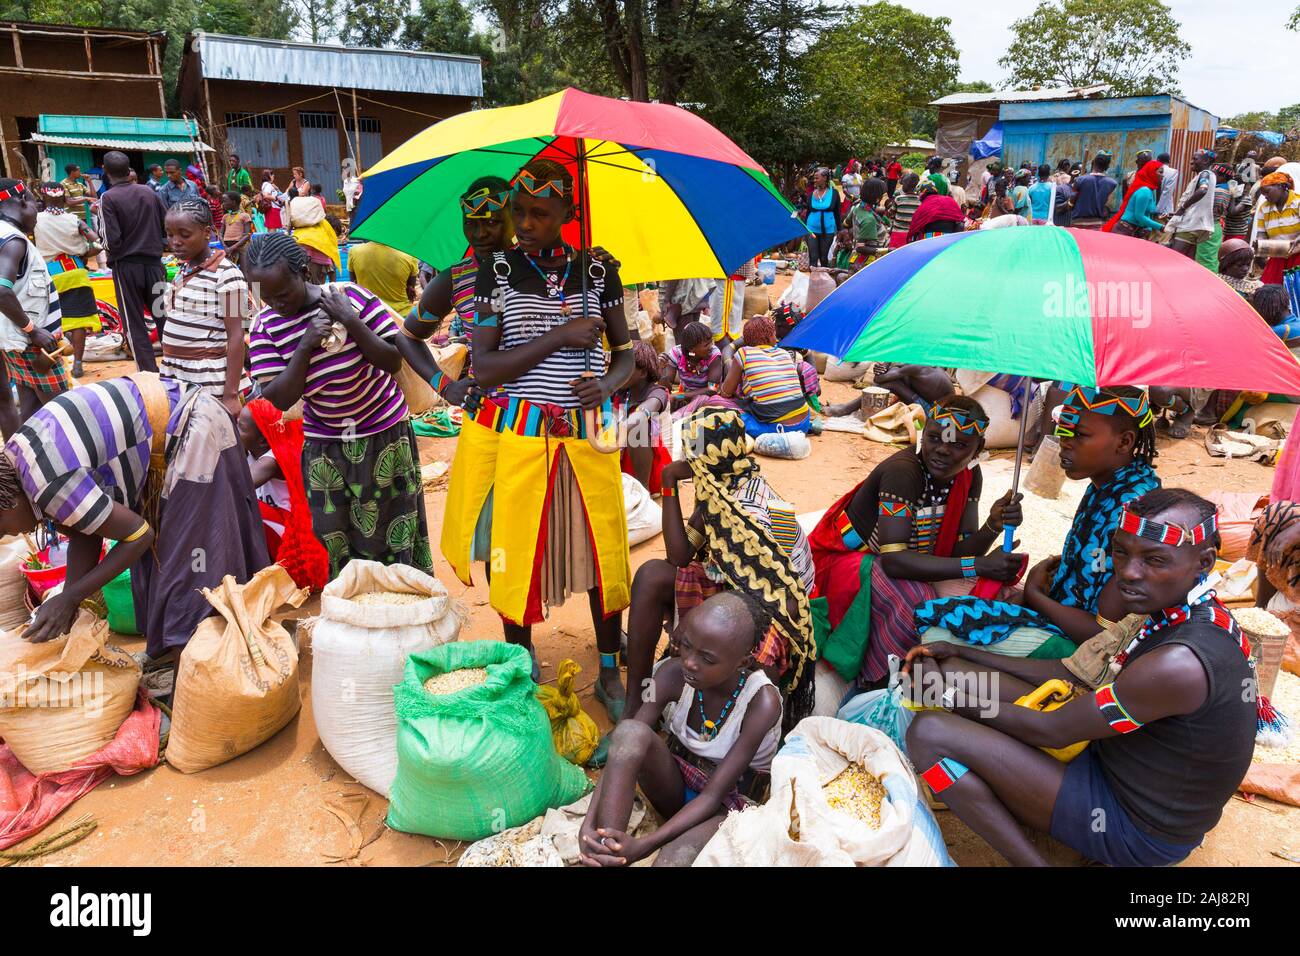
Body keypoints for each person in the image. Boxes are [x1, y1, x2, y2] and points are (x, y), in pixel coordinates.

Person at [904, 489, 1257, 867]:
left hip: (1136, 828)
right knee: (954, 673)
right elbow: (1071, 671)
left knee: (928, 734)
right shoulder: (1177, 612)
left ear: (1205, 561)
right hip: (1115, 765)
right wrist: (964, 654)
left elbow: (1050, 731)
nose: (1128, 572)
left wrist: (948, 698)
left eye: (1154, 559)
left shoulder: (1178, 663)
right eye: (1121, 552)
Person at [463, 158, 634, 705]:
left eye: (540, 212)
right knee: (514, 555)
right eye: (520, 211)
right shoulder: (498, 272)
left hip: (588, 436)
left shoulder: (600, 271)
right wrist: (559, 336)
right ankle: (519, 660)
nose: (527, 221)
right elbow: (485, 369)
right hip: (523, 437)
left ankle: (609, 667)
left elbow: (627, 357)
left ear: (569, 211)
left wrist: (607, 384)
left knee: (603, 551)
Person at [1, 371, 268, 661]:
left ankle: (192, 681)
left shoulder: (49, 484)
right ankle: (170, 657)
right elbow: (85, 532)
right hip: (165, 440)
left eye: (3, 528)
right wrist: (69, 599)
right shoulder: (19, 456)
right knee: (161, 563)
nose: (13, 534)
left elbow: (139, 535)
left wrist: (72, 597)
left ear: (7, 504)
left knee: (189, 569)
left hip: (194, 430)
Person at [919, 386, 1160, 657]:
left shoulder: (1132, 514)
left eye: (1079, 435)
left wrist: (1035, 595)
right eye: (1064, 431)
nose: (1064, 442)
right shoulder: (1109, 487)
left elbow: (1105, 634)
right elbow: (1096, 566)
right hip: (1063, 618)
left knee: (934, 634)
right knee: (944, 613)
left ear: (1124, 442)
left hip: (1086, 651)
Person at [245, 231, 432, 578]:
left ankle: (401, 619)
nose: (276, 304)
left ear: (303, 270)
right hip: (326, 448)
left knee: (394, 538)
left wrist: (350, 320)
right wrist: (305, 346)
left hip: (385, 435)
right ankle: (357, 621)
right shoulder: (264, 327)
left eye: (282, 293)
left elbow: (392, 361)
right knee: (338, 542)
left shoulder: (352, 298)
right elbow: (281, 398)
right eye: (266, 297)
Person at [809, 395, 1023, 687]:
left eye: (959, 445)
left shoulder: (970, 477)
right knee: (918, 603)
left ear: (978, 449)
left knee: (994, 596)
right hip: (847, 562)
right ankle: (881, 681)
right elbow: (895, 561)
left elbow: (959, 551)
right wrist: (979, 565)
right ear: (923, 432)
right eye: (934, 437)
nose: (942, 451)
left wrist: (992, 526)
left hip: (904, 560)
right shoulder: (904, 472)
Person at [622, 408, 815, 722]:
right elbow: (680, 556)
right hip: (735, 589)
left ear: (708, 460)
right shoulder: (719, 490)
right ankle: (634, 705)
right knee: (651, 575)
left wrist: (695, 626)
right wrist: (668, 479)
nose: (688, 463)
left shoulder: (751, 512)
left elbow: (776, 601)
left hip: (776, 611)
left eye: (692, 458)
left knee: (741, 650)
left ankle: (730, 733)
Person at [580, 590, 783, 867]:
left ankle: (630, 851)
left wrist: (644, 845)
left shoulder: (762, 702)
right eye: (687, 646)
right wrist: (589, 824)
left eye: (707, 659)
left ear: (742, 663)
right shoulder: (669, 675)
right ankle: (605, 849)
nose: (690, 662)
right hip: (677, 785)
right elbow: (624, 745)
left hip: (727, 805)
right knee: (629, 731)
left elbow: (713, 797)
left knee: (672, 860)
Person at [158, 198, 250, 415]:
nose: (175, 242)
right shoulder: (184, 269)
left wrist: (231, 395)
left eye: (184, 234)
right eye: (170, 234)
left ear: (207, 232)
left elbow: (236, 336)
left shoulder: (227, 274)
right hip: (177, 374)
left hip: (208, 380)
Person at [236, 398, 328, 590]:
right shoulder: (251, 451)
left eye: (241, 428)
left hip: (285, 533)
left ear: (262, 439)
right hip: (271, 531)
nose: (236, 433)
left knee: (245, 506)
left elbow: (237, 485)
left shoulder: (273, 459)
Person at [0, 180, 69, 435]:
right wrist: (33, 330)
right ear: (21, 202)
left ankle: (19, 469)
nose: (37, 212)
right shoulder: (13, 241)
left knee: (30, 410)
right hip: (35, 347)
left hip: (17, 344)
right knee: (64, 414)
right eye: (33, 202)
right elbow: (1, 290)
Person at [100, 150, 168, 373]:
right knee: (163, 317)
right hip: (154, 265)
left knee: (134, 323)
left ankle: (149, 374)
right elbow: (166, 224)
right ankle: (175, 367)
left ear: (105, 170)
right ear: (129, 169)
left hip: (126, 267)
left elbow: (112, 240)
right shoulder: (148, 192)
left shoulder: (108, 198)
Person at [34, 182, 101, 379]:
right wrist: (83, 255)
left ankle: (52, 362)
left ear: (44, 197)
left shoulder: (34, 220)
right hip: (76, 272)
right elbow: (97, 241)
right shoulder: (75, 220)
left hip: (50, 274)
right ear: (64, 198)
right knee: (79, 320)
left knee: (52, 320)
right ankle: (78, 364)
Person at [719, 315, 812, 436]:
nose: (776, 337)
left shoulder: (744, 353)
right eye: (774, 334)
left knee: (718, 404)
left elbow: (726, 392)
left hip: (778, 428)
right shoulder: (784, 354)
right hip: (804, 422)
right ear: (769, 338)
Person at [616, 340, 671, 493]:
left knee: (638, 426)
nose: (619, 372)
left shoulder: (657, 393)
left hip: (653, 469)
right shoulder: (621, 392)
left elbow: (642, 414)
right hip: (621, 463)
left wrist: (619, 429)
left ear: (643, 372)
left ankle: (643, 493)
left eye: (625, 367)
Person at [1250, 171, 1300, 292]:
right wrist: (1260, 247)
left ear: (1282, 186)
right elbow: (1262, 234)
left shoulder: (1297, 202)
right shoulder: (1265, 208)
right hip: (1278, 254)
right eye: (1263, 194)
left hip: (1298, 255)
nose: (1266, 196)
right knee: (1269, 290)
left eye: (1267, 192)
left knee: (1295, 291)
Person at [662, 319, 724, 412]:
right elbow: (667, 388)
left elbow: (712, 389)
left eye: (711, 342)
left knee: (701, 401)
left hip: (707, 397)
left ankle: (680, 419)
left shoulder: (714, 355)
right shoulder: (676, 353)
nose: (711, 346)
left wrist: (681, 396)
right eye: (706, 344)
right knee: (663, 400)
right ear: (692, 348)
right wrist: (661, 371)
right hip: (685, 394)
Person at [347, 241, 420, 320]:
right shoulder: (409, 255)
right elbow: (411, 290)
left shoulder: (354, 251)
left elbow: (353, 284)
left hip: (367, 315)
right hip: (401, 316)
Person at [1165, 149, 1216, 260]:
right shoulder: (1207, 175)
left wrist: (1182, 208)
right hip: (1195, 225)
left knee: (1173, 259)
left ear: (1206, 161)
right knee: (1188, 261)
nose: (1191, 162)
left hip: (1189, 225)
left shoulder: (1205, 174)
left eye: (1195, 159)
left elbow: (1202, 190)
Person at [1102, 159, 1164, 237]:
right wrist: (1161, 227)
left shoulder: (1150, 191)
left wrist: (1149, 228)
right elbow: (1139, 216)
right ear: (1151, 173)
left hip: (1132, 230)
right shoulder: (1145, 191)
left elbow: (1146, 212)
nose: (1163, 175)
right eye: (1160, 172)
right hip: (1125, 230)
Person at [287, 196, 340, 282]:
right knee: (316, 290)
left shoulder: (304, 231)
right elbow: (332, 271)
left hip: (301, 261)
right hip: (317, 265)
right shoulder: (324, 233)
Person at [1068, 152, 1118, 230]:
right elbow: (1107, 206)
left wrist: (1069, 205)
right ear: (1107, 167)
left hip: (1078, 223)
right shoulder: (1112, 183)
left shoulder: (1080, 180)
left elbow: (1071, 203)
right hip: (1097, 224)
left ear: (1093, 163)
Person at [804, 168, 840, 267]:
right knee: (813, 257)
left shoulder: (834, 193)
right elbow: (808, 212)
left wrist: (840, 230)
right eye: (814, 178)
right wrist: (804, 229)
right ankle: (813, 280)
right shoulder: (811, 194)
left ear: (824, 178)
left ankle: (824, 280)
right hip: (811, 230)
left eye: (816, 178)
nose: (814, 180)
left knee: (824, 257)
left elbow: (837, 213)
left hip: (828, 230)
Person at [886, 172, 922, 248]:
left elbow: (890, 214)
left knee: (896, 255)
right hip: (913, 235)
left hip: (898, 234)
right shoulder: (921, 200)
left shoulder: (899, 199)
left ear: (905, 185)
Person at [220, 191, 253, 267]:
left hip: (241, 247)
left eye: (225, 201)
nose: (223, 204)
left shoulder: (245, 216)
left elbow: (247, 235)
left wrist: (232, 248)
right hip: (227, 248)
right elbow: (221, 233)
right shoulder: (225, 217)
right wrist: (225, 246)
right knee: (228, 269)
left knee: (245, 270)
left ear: (233, 202)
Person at [60, 163, 96, 228]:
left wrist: (89, 181)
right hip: (71, 218)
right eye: (79, 171)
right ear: (72, 172)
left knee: (83, 237)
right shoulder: (63, 184)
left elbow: (93, 196)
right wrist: (85, 199)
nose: (80, 172)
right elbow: (69, 202)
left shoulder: (80, 184)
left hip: (82, 217)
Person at [1154, 152, 1179, 218]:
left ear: (1158, 160)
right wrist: (1158, 210)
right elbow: (1167, 193)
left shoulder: (1153, 170)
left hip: (1151, 208)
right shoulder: (1173, 172)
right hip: (1165, 210)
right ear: (1169, 161)